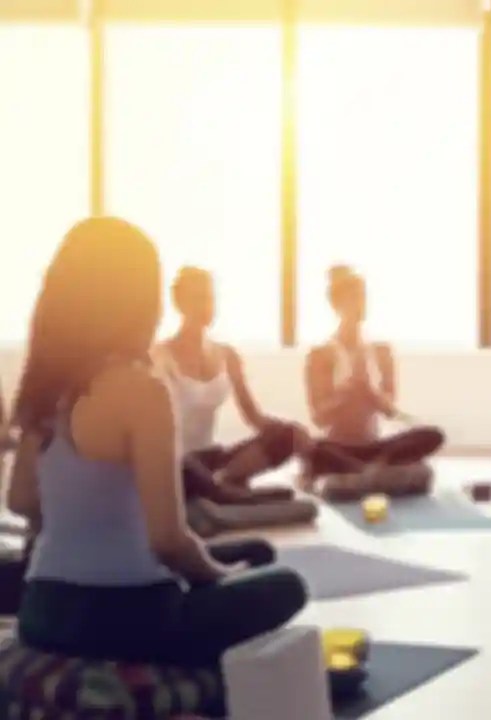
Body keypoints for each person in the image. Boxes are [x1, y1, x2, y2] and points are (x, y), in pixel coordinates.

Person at [8, 217, 306, 670]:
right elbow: (167, 540)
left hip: (42, 611)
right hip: (133, 618)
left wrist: (83, 525)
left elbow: (21, 499)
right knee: (286, 584)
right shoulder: (141, 389)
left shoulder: (46, 387)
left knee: (256, 553)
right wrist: (219, 577)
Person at [156, 267, 308, 505]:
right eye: (198, 298)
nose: (206, 305)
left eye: (209, 297)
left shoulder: (228, 355)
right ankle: (224, 490)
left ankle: (223, 482)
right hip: (179, 464)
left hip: (213, 460)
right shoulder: (160, 357)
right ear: (179, 303)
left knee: (286, 435)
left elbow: (254, 417)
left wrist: (292, 431)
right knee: (188, 466)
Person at [303, 266, 444, 481]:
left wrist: (369, 390)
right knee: (311, 450)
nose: (360, 304)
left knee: (433, 434)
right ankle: (370, 471)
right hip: (338, 446)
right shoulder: (320, 355)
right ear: (336, 305)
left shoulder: (381, 351)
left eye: (362, 297)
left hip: (376, 446)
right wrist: (345, 395)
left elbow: (390, 411)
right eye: (352, 299)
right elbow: (319, 418)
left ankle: (366, 469)